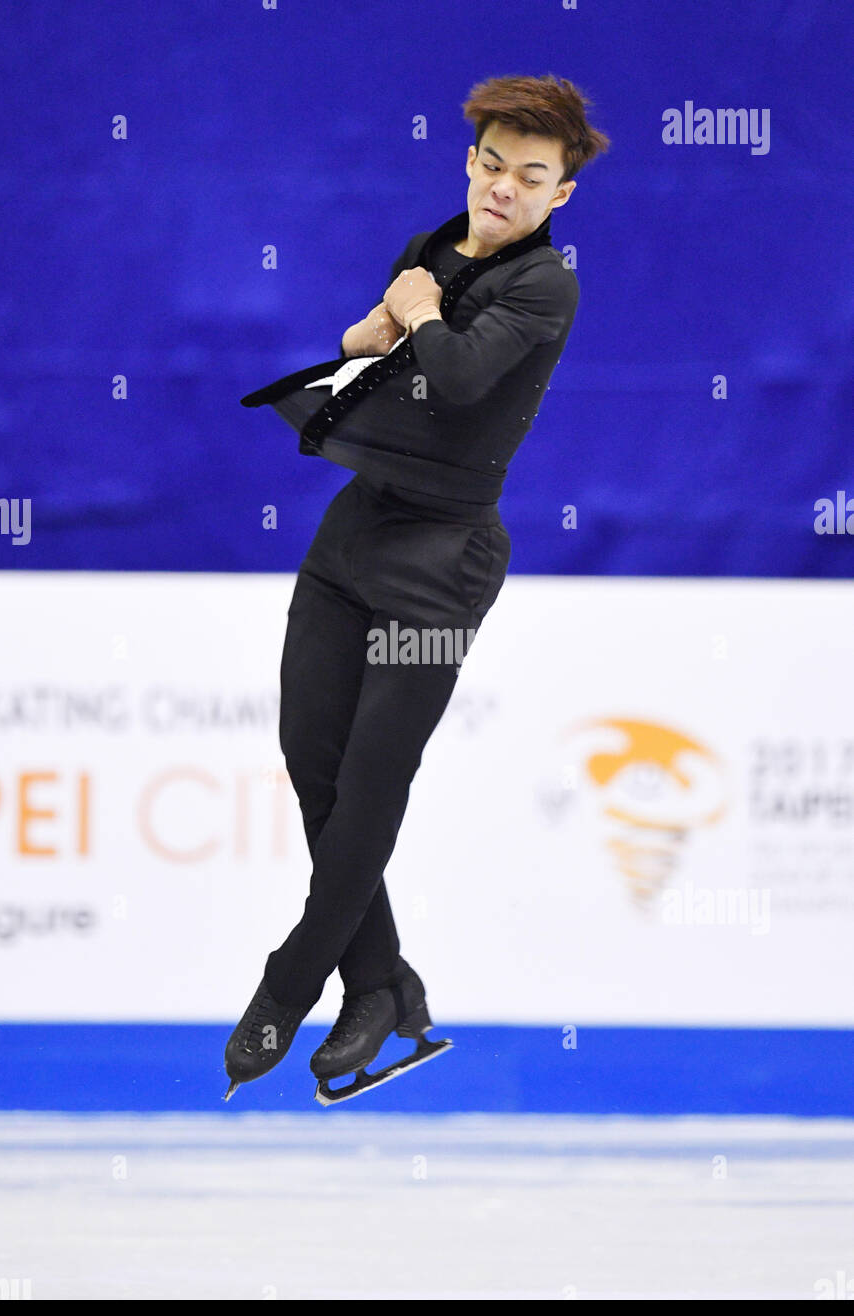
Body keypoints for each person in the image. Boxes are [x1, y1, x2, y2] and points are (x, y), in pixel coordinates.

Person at [224, 73, 610, 1103]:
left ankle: (292, 978)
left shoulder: (546, 285)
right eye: (493, 164)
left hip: (443, 568)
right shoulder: (426, 248)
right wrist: (366, 334)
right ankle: (382, 987)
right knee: (313, 763)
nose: (504, 188)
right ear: (470, 161)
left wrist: (419, 310)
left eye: (532, 177)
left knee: (374, 781)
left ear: (559, 195)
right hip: (354, 535)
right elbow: (385, 366)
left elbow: (455, 382)